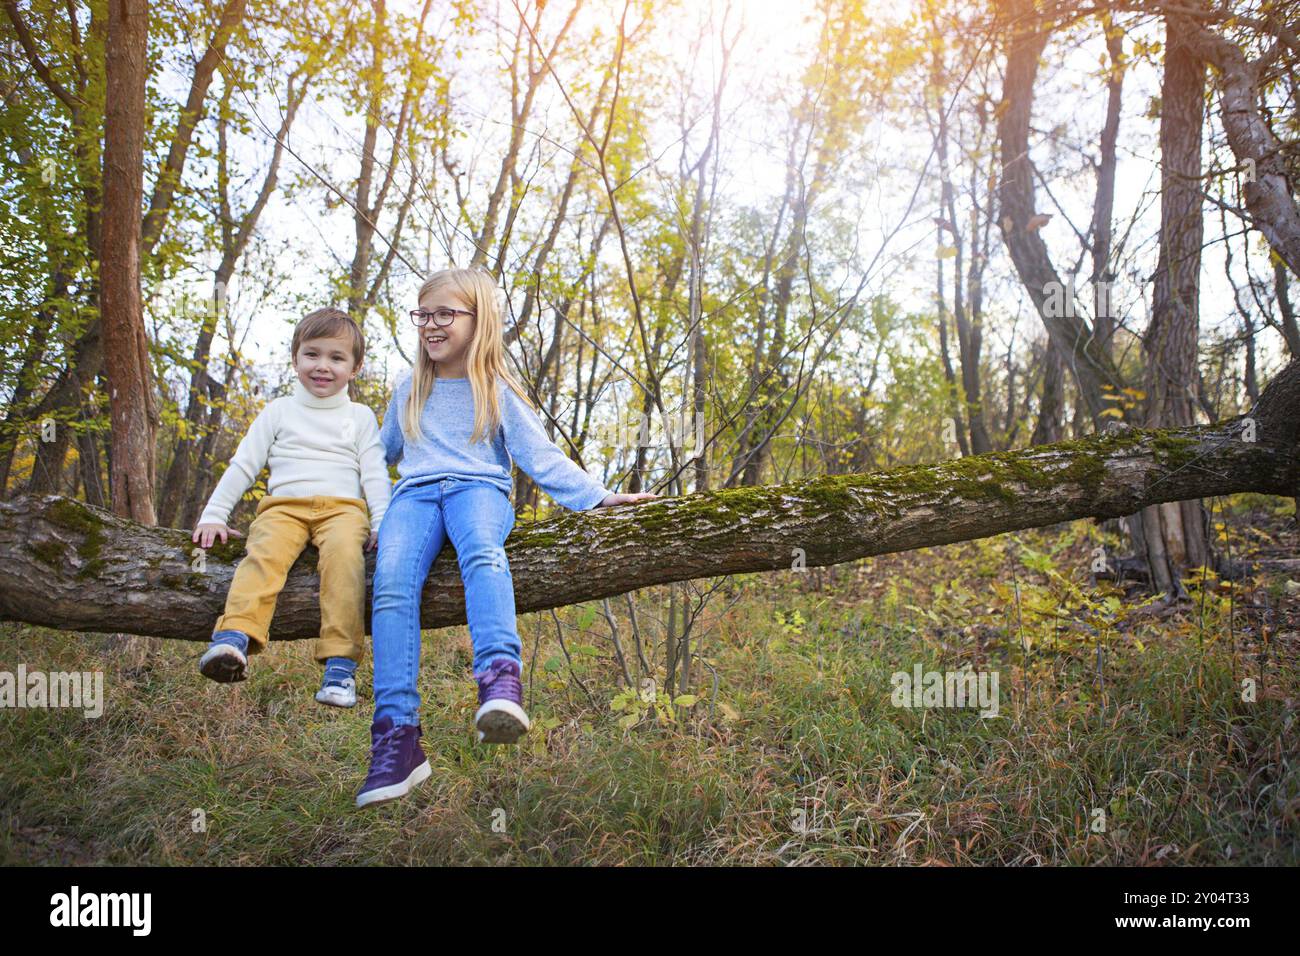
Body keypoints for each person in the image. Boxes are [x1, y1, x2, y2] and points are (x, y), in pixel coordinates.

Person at [356, 267, 655, 808]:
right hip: (414, 498)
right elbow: (379, 457)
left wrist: (599, 496)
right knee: (392, 583)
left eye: (445, 313)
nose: (430, 325)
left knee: (483, 555)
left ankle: (499, 680)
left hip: (478, 490)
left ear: (479, 320)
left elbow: (538, 457)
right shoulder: (408, 386)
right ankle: (397, 738)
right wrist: (342, 510)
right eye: (423, 314)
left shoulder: (493, 385)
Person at [192, 308, 390, 709]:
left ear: (355, 368)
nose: (323, 366)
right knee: (263, 556)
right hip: (282, 508)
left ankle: (340, 667)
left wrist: (382, 523)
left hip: (344, 511)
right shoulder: (278, 411)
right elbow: (243, 465)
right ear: (295, 358)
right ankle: (233, 639)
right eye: (312, 354)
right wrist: (214, 514)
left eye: (337, 358)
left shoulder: (360, 416)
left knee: (345, 564)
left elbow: (373, 474)